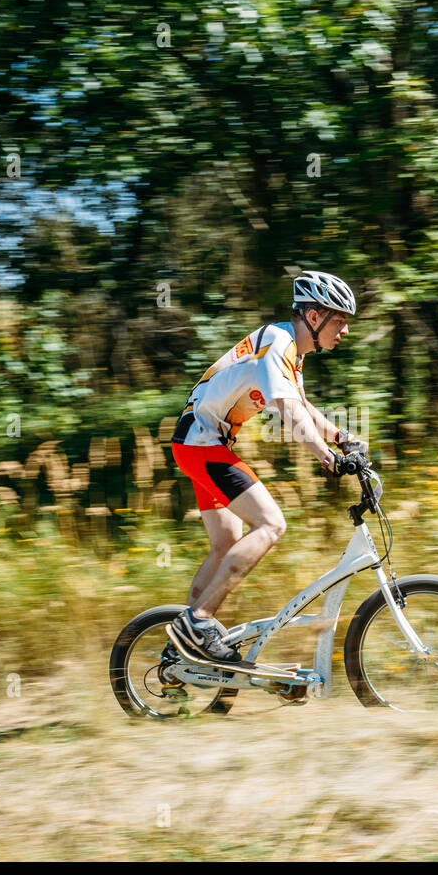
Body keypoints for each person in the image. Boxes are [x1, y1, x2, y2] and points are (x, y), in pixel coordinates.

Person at [165, 270, 367, 664]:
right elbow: (291, 415)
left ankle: (182, 644)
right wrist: (328, 458)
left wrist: (343, 438)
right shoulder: (278, 344)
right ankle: (200, 621)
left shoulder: (289, 349)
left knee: (226, 541)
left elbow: (304, 407)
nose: (344, 330)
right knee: (272, 524)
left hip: (198, 442)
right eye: (339, 320)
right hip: (202, 443)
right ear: (314, 317)